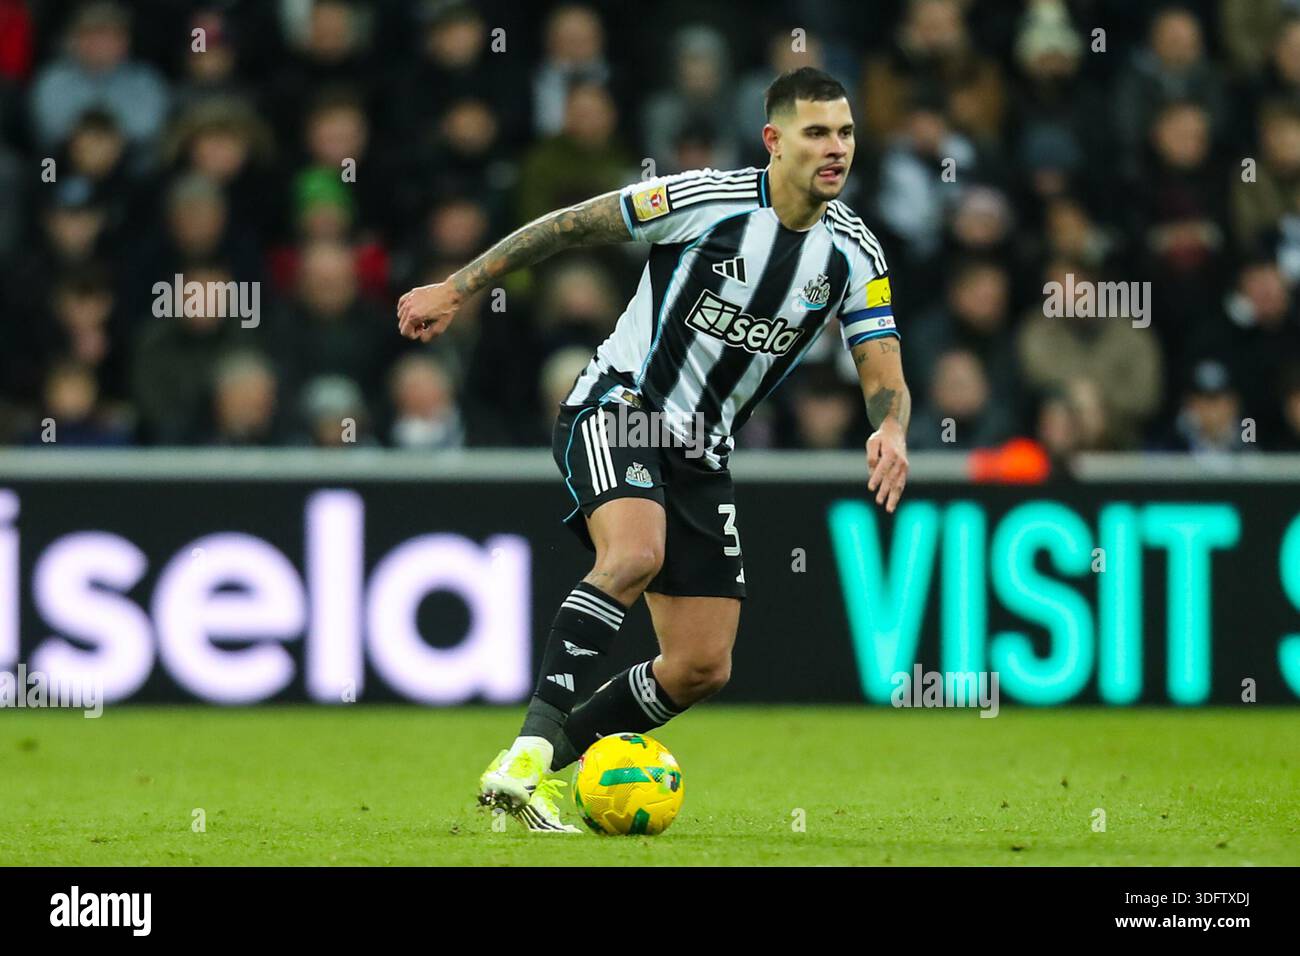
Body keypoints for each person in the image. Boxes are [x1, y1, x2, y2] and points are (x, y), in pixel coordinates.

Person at [396, 67, 911, 832]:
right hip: (621, 408)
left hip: (702, 449)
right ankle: (526, 757)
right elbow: (570, 225)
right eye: (816, 133)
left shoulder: (855, 253)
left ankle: (535, 771)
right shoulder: (706, 201)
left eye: (845, 132)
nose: (835, 148)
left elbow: (880, 365)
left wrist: (891, 427)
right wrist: (459, 286)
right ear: (774, 141)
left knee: (701, 665)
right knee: (635, 554)